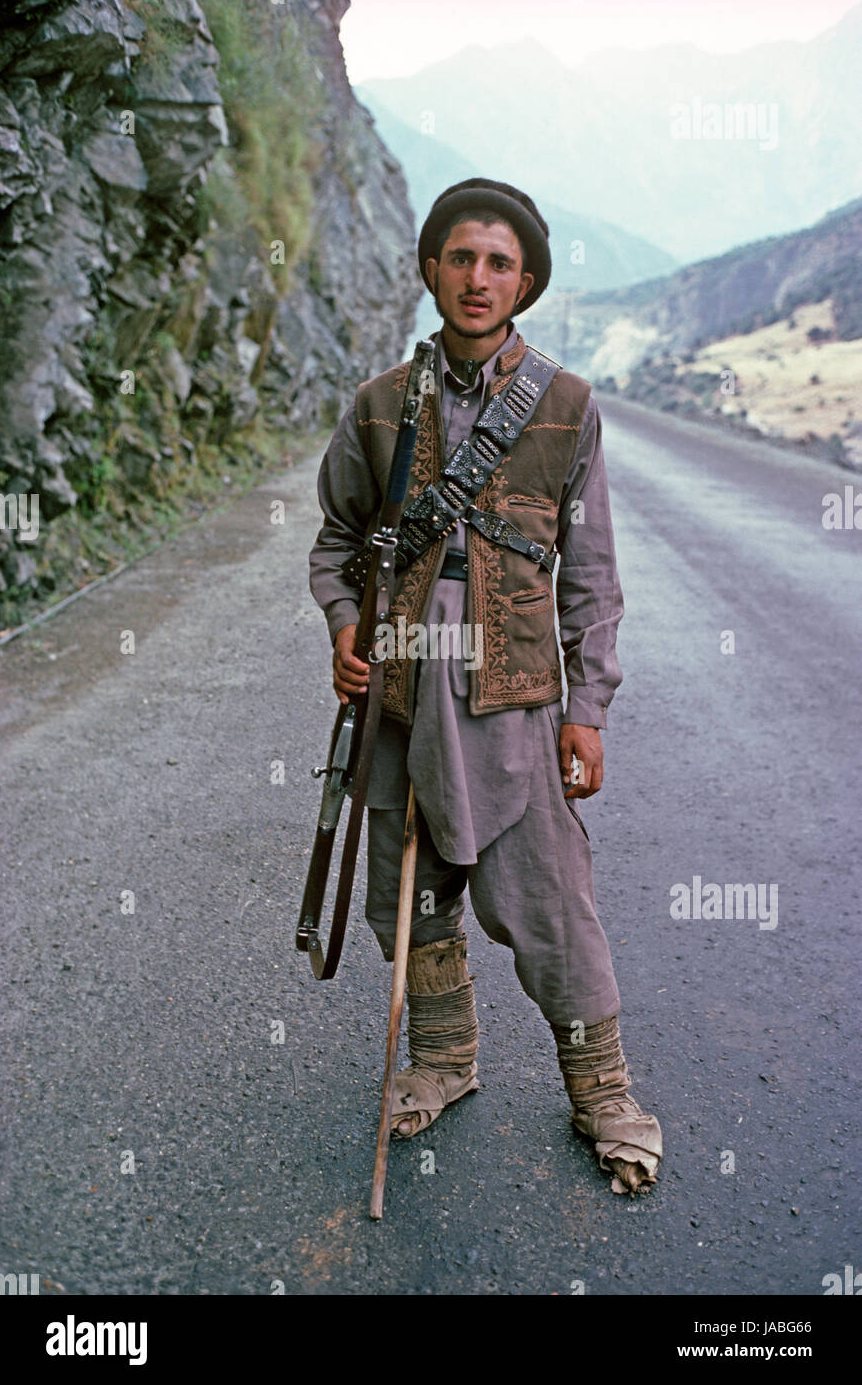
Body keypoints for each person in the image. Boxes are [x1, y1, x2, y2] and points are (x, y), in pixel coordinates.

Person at [308, 178, 662, 1194]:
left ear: (526, 281)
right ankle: (443, 1059)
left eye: (498, 262)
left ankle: (603, 1092)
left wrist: (586, 709)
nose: (477, 278)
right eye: (460, 257)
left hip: (512, 697)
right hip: (403, 690)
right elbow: (336, 541)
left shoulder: (564, 406)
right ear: (430, 268)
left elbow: (589, 578)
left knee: (549, 902)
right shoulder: (378, 407)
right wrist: (344, 626)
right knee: (412, 897)